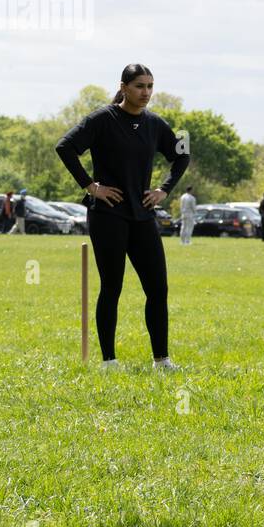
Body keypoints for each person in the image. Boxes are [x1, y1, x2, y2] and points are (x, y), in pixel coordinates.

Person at [56, 62, 190, 371]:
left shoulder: (155, 125)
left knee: (158, 288)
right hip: (108, 216)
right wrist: (91, 186)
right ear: (124, 87)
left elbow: (182, 154)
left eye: (150, 86)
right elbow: (65, 147)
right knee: (112, 287)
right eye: (140, 86)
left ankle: (162, 360)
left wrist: (164, 189)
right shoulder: (102, 120)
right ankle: (109, 360)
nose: (146, 93)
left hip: (142, 216)